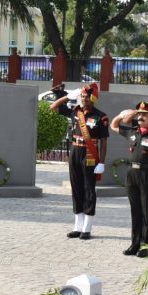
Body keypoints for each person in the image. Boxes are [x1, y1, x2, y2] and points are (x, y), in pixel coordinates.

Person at [50, 83, 108, 240]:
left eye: (86, 96)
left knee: (89, 189)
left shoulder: (100, 116)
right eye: (82, 96)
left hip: (90, 153)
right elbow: (54, 107)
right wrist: (67, 97)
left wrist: (101, 162)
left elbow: (103, 142)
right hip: (75, 151)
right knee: (76, 188)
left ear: (93, 98)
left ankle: (87, 228)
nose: (84, 98)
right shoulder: (76, 112)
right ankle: (77, 226)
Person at [110, 102, 148, 258]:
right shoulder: (133, 132)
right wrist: (123, 115)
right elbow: (114, 125)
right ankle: (134, 243)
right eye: (139, 114)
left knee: (147, 211)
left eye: (144, 114)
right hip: (132, 173)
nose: (140, 117)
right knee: (135, 210)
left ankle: (145, 244)